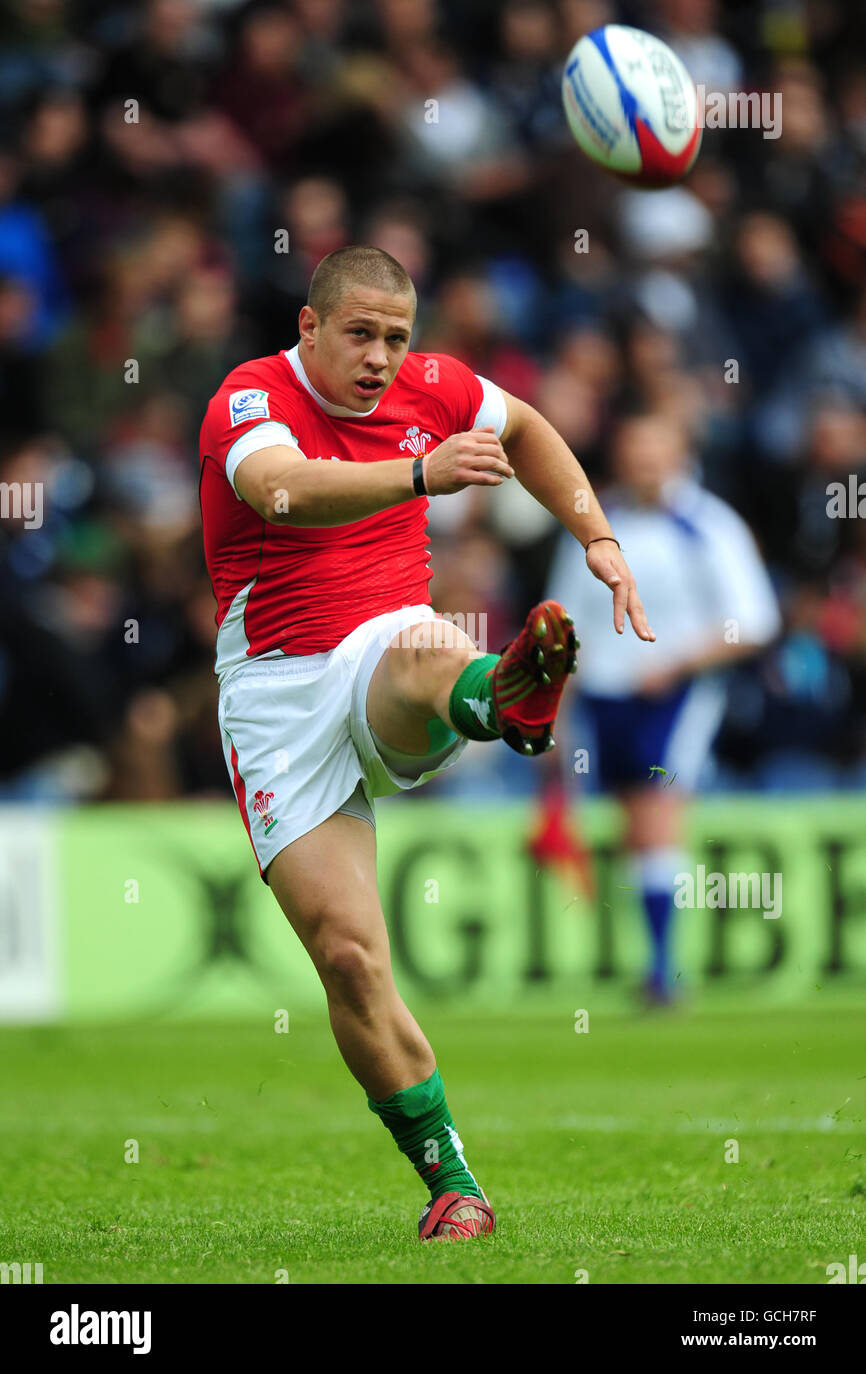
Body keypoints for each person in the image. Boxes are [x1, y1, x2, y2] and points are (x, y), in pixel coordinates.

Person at [198, 246, 653, 1240]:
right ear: (309, 327)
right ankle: (452, 1182)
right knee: (351, 959)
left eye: (395, 338)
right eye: (358, 334)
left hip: (383, 655)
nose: (379, 357)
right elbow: (278, 489)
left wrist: (597, 537)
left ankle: (508, 699)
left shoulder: (434, 388)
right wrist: (417, 471)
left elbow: (527, 427)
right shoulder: (248, 394)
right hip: (274, 695)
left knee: (418, 646)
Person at [546, 413, 780, 1004]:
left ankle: (662, 971)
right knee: (632, 826)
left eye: (657, 449)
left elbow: (752, 623)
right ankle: (652, 962)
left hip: (672, 696)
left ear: (680, 453)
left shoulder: (708, 526)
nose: (645, 461)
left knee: (656, 816)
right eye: (635, 450)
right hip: (605, 694)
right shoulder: (599, 523)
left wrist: (675, 665)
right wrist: (557, 706)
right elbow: (565, 622)